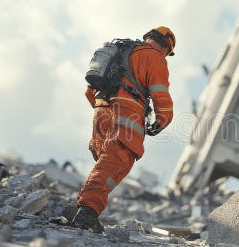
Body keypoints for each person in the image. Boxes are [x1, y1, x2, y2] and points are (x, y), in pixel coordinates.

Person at [68, 27, 176, 233]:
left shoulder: (122, 50)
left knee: (105, 164)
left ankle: (81, 208)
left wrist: (105, 110)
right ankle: (86, 212)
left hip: (101, 112)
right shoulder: (155, 58)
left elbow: (90, 91)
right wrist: (162, 121)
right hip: (126, 113)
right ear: (166, 48)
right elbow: (160, 94)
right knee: (116, 162)